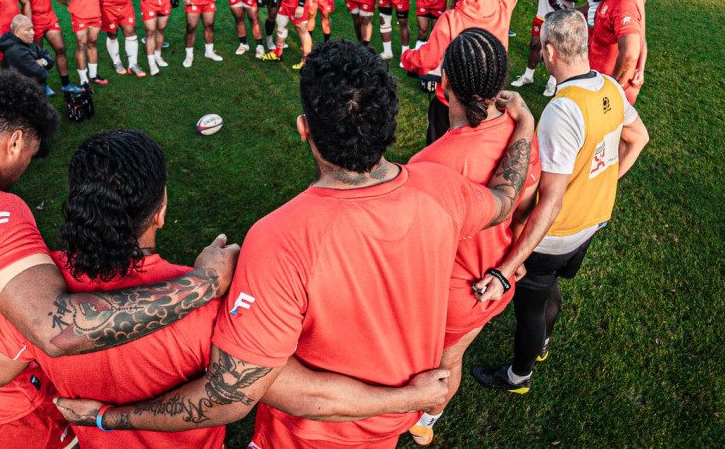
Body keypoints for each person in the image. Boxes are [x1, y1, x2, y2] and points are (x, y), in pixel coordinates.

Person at [53, 39, 537, 449]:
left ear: (305, 128)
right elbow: (503, 198)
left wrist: (109, 418)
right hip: (386, 433)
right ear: (388, 121)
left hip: (304, 440)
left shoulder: (278, 240)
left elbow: (231, 392)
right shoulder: (442, 188)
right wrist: (526, 128)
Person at [0, 128, 452, 449]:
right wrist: (406, 399)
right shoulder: (207, 306)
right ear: (160, 211)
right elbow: (269, 394)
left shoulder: (30, 302)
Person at [0, 71, 239, 449]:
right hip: (8, 408)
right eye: (31, 156)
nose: (24, 168)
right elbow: (53, 329)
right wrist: (204, 284)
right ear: (16, 141)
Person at [472, 9, 649, 395]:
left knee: (530, 305)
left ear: (550, 51)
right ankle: (543, 344)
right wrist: (605, 180)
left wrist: (507, 267)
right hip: (593, 222)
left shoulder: (562, 109)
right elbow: (639, 138)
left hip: (555, 234)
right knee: (548, 286)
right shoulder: (609, 86)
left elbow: (548, 201)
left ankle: (518, 376)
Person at [404, 29, 542, 445]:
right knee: (454, 356)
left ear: (444, 82)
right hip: (496, 282)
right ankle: (427, 423)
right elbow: (525, 210)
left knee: (432, 364)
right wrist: (510, 266)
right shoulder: (521, 135)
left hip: (451, 298)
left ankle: (421, 420)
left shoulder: (427, 167)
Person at [402, 0, 536, 144]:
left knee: (439, 153)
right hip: (489, 103)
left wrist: (407, 57)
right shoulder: (500, 3)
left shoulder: (450, 19)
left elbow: (426, 59)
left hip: (450, 106)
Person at [513, 0, 580, 97]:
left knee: (556, 51)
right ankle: (528, 76)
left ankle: (552, 83)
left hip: (560, 19)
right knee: (534, 45)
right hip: (541, 16)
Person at [586, 0, 647, 104]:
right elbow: (641, 38)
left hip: (610, 93)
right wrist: (640, 68)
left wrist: (612, 89)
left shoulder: (623, 5)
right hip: (601, 84)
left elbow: (630, 54)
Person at [18, 0, 78, 92]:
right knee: (37, 56)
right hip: (33, 21)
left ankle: (66, 84)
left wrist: (67, 3)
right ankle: (42, 85)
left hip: (49, 17)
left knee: (61, 48)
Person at [0, 15, 55, 90]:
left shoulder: (27, 42)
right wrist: (42, 62)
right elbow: (42, 74)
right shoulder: (16, 52)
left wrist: (43, 61)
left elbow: (49, 57)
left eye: (32, 28)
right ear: (17, 32)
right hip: (24, 92)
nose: (33, 32)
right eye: (28, 30)